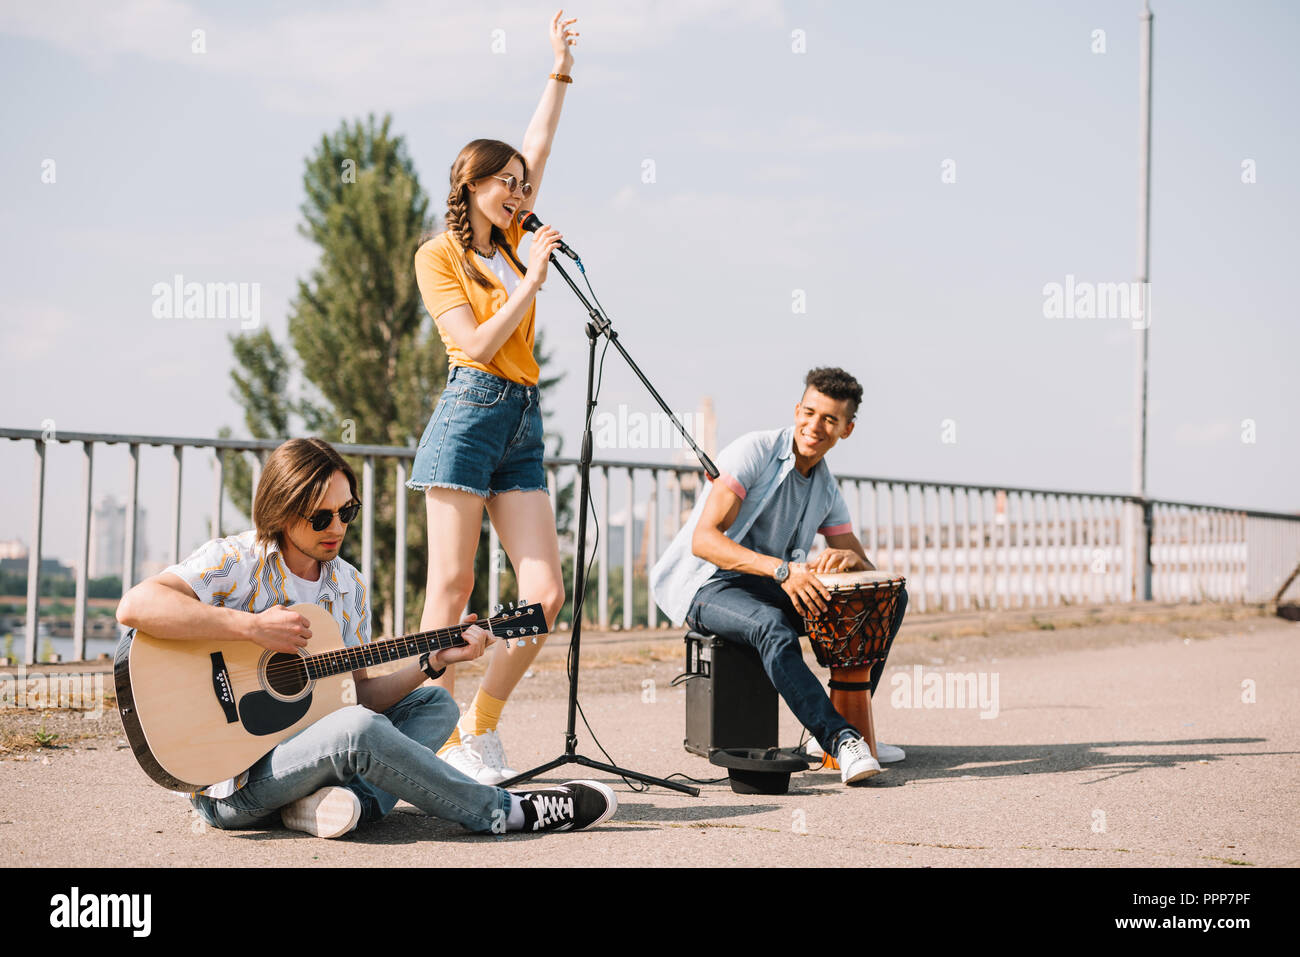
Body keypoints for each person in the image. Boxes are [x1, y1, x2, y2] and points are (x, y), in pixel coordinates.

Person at [115, 438, 616, 838]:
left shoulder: (346, 586)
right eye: (320, 517)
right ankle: (501, 811)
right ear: (282, 511)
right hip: (232, 786)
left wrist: (431, 663)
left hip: (307, 759)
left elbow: (364, 696)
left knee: (435, 708)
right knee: (355, 731)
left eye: (346, 512)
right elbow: (135, 606)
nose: (337, 528)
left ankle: (335, 806)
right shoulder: (236, 561)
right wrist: (251, 627)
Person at [406, 10, 578, 784]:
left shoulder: (510, 239)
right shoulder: (438, 254)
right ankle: (421, 734)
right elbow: (472, 343)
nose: (519, 190)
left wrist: (559, 71)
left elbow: (536, 143)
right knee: (453, 585)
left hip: (522, 418)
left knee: (544, 593)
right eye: (504, 182)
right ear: (471, 187)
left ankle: (477, 726)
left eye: (522, 183)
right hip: (472, 407)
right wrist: (536, 279)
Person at [651, 368, 908, 786]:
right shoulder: (754, 451)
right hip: (706, 585)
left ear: (847, 429)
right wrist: (782, 570)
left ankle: (839, 721)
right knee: (772, 628)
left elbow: (866, 566)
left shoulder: (825, 488)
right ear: (797, 410)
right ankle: (842, 739)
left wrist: (847, 557)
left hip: (768, 584)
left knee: (885, 599)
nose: (815, 426)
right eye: (809, 413)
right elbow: (703, 541)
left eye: (830, 419)